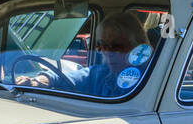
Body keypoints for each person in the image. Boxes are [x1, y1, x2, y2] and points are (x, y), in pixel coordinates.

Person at [16, 12, 151, 97]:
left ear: (137, 46)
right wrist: (41, 80)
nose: (108, 53)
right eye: (102, 46)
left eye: (116, 46)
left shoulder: (151, 77)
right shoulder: (100, 74)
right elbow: (68, 78)